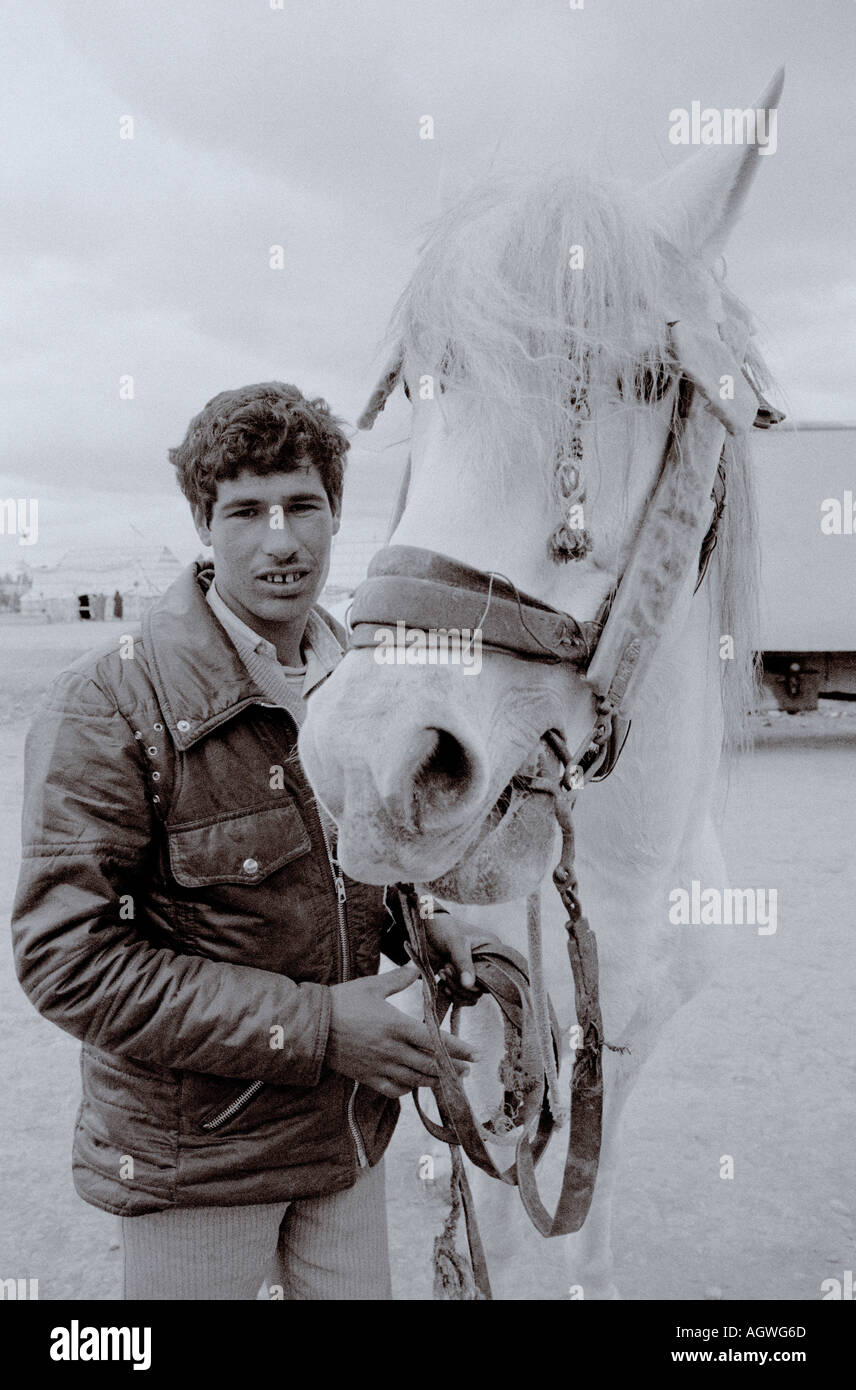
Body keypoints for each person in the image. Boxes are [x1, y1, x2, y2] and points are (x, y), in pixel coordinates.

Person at [11, 381, 485, 1301]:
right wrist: (317, 1027)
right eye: (247, 511)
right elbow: (67, 960)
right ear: (203, 523)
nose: (281, 540)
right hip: (199, 1165)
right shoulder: (108, 705)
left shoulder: (361, 685)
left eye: (304, 505)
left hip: (345, 1139)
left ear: (337, 512)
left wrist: (419, 927)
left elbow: (347, 869)